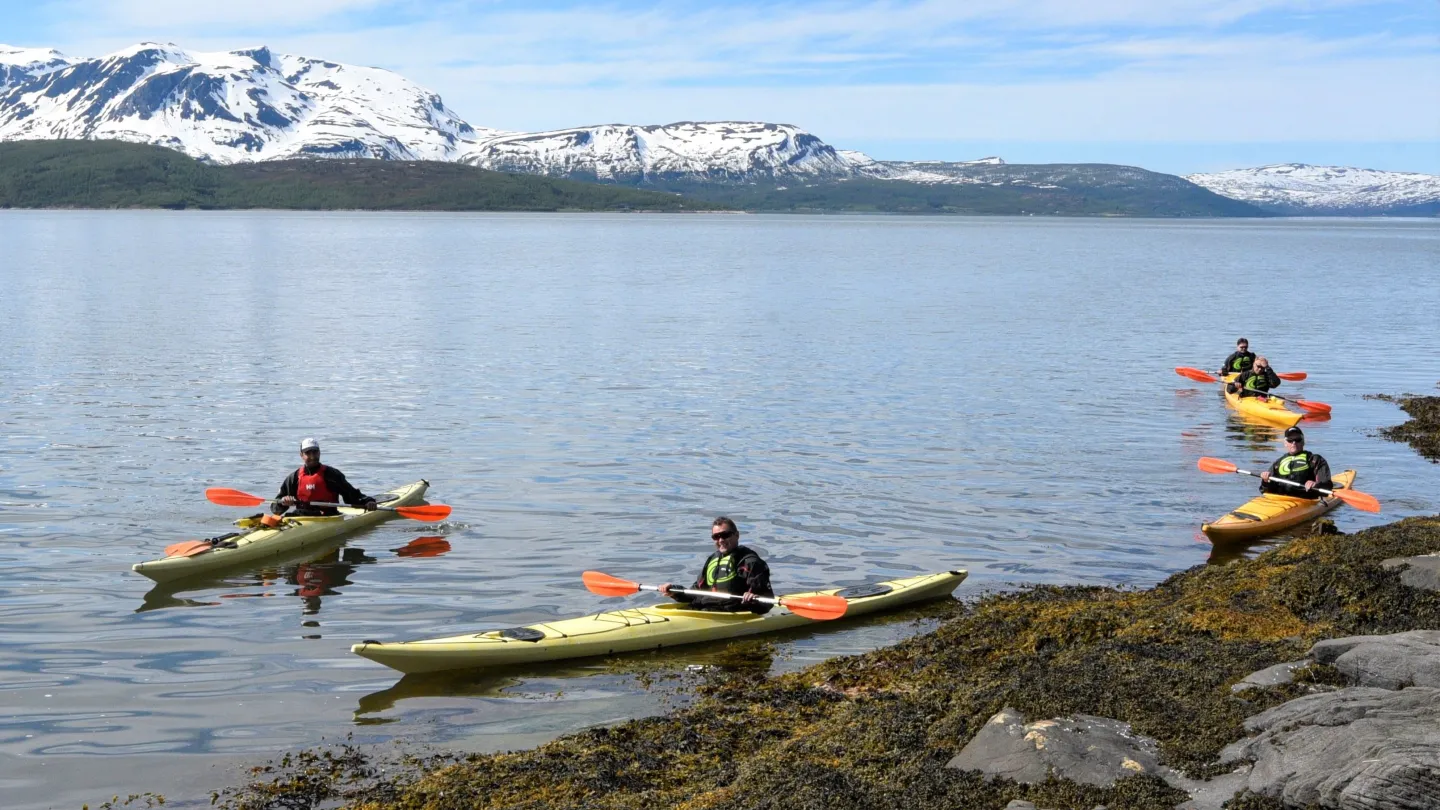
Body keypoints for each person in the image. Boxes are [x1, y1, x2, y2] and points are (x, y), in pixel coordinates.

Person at [659, 517, 774, 614]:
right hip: (703, 609)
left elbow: (767, 602)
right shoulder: (712, 560)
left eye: (725, 535)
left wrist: (753, 599)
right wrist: (674, 591)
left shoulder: (750, 562)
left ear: (737, 535)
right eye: (716, 537)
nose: (721, 540)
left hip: (728, 614)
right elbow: (696, 593)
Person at [273, 438, 377, 516]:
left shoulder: (332, 474)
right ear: (301, 455)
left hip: (327, 517)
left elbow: (351, 496)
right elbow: (275, 509)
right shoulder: (294, 478)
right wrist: (283, 502)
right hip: (301, 516)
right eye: (308, 453)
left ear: (319, 452)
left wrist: (368, 501)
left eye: (315, 452)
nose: (312, 456)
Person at [1260, 427, 1333, 499]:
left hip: (1306, 500)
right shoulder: (1277, 463)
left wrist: (1315, 485)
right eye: (1290, 440)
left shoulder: (1315, 460)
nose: (1294, 443)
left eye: (1297, 439)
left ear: (1303, 442)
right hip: (1281, 500)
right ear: (1285, 443)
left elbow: (1327, 488)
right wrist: (1265, 481)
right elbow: (1264, 490)